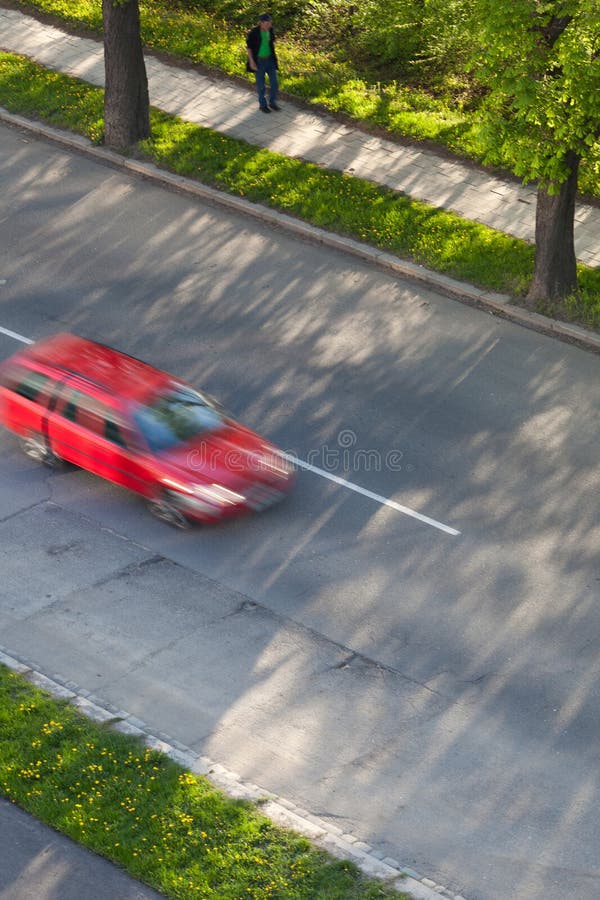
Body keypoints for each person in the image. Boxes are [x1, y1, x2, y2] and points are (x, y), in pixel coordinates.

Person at [246, 13, 280, 113]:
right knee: (261, 86)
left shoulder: (270, 30)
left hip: (270, 60)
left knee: (274, 83)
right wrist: (251, 61)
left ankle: (272, 102)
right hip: (259, 62)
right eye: (267, 23)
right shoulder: (254, 33)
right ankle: (263, 105)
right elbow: (249, 48)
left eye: (270, 23)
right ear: (261, 23)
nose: (269, 25)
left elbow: (271, 42)